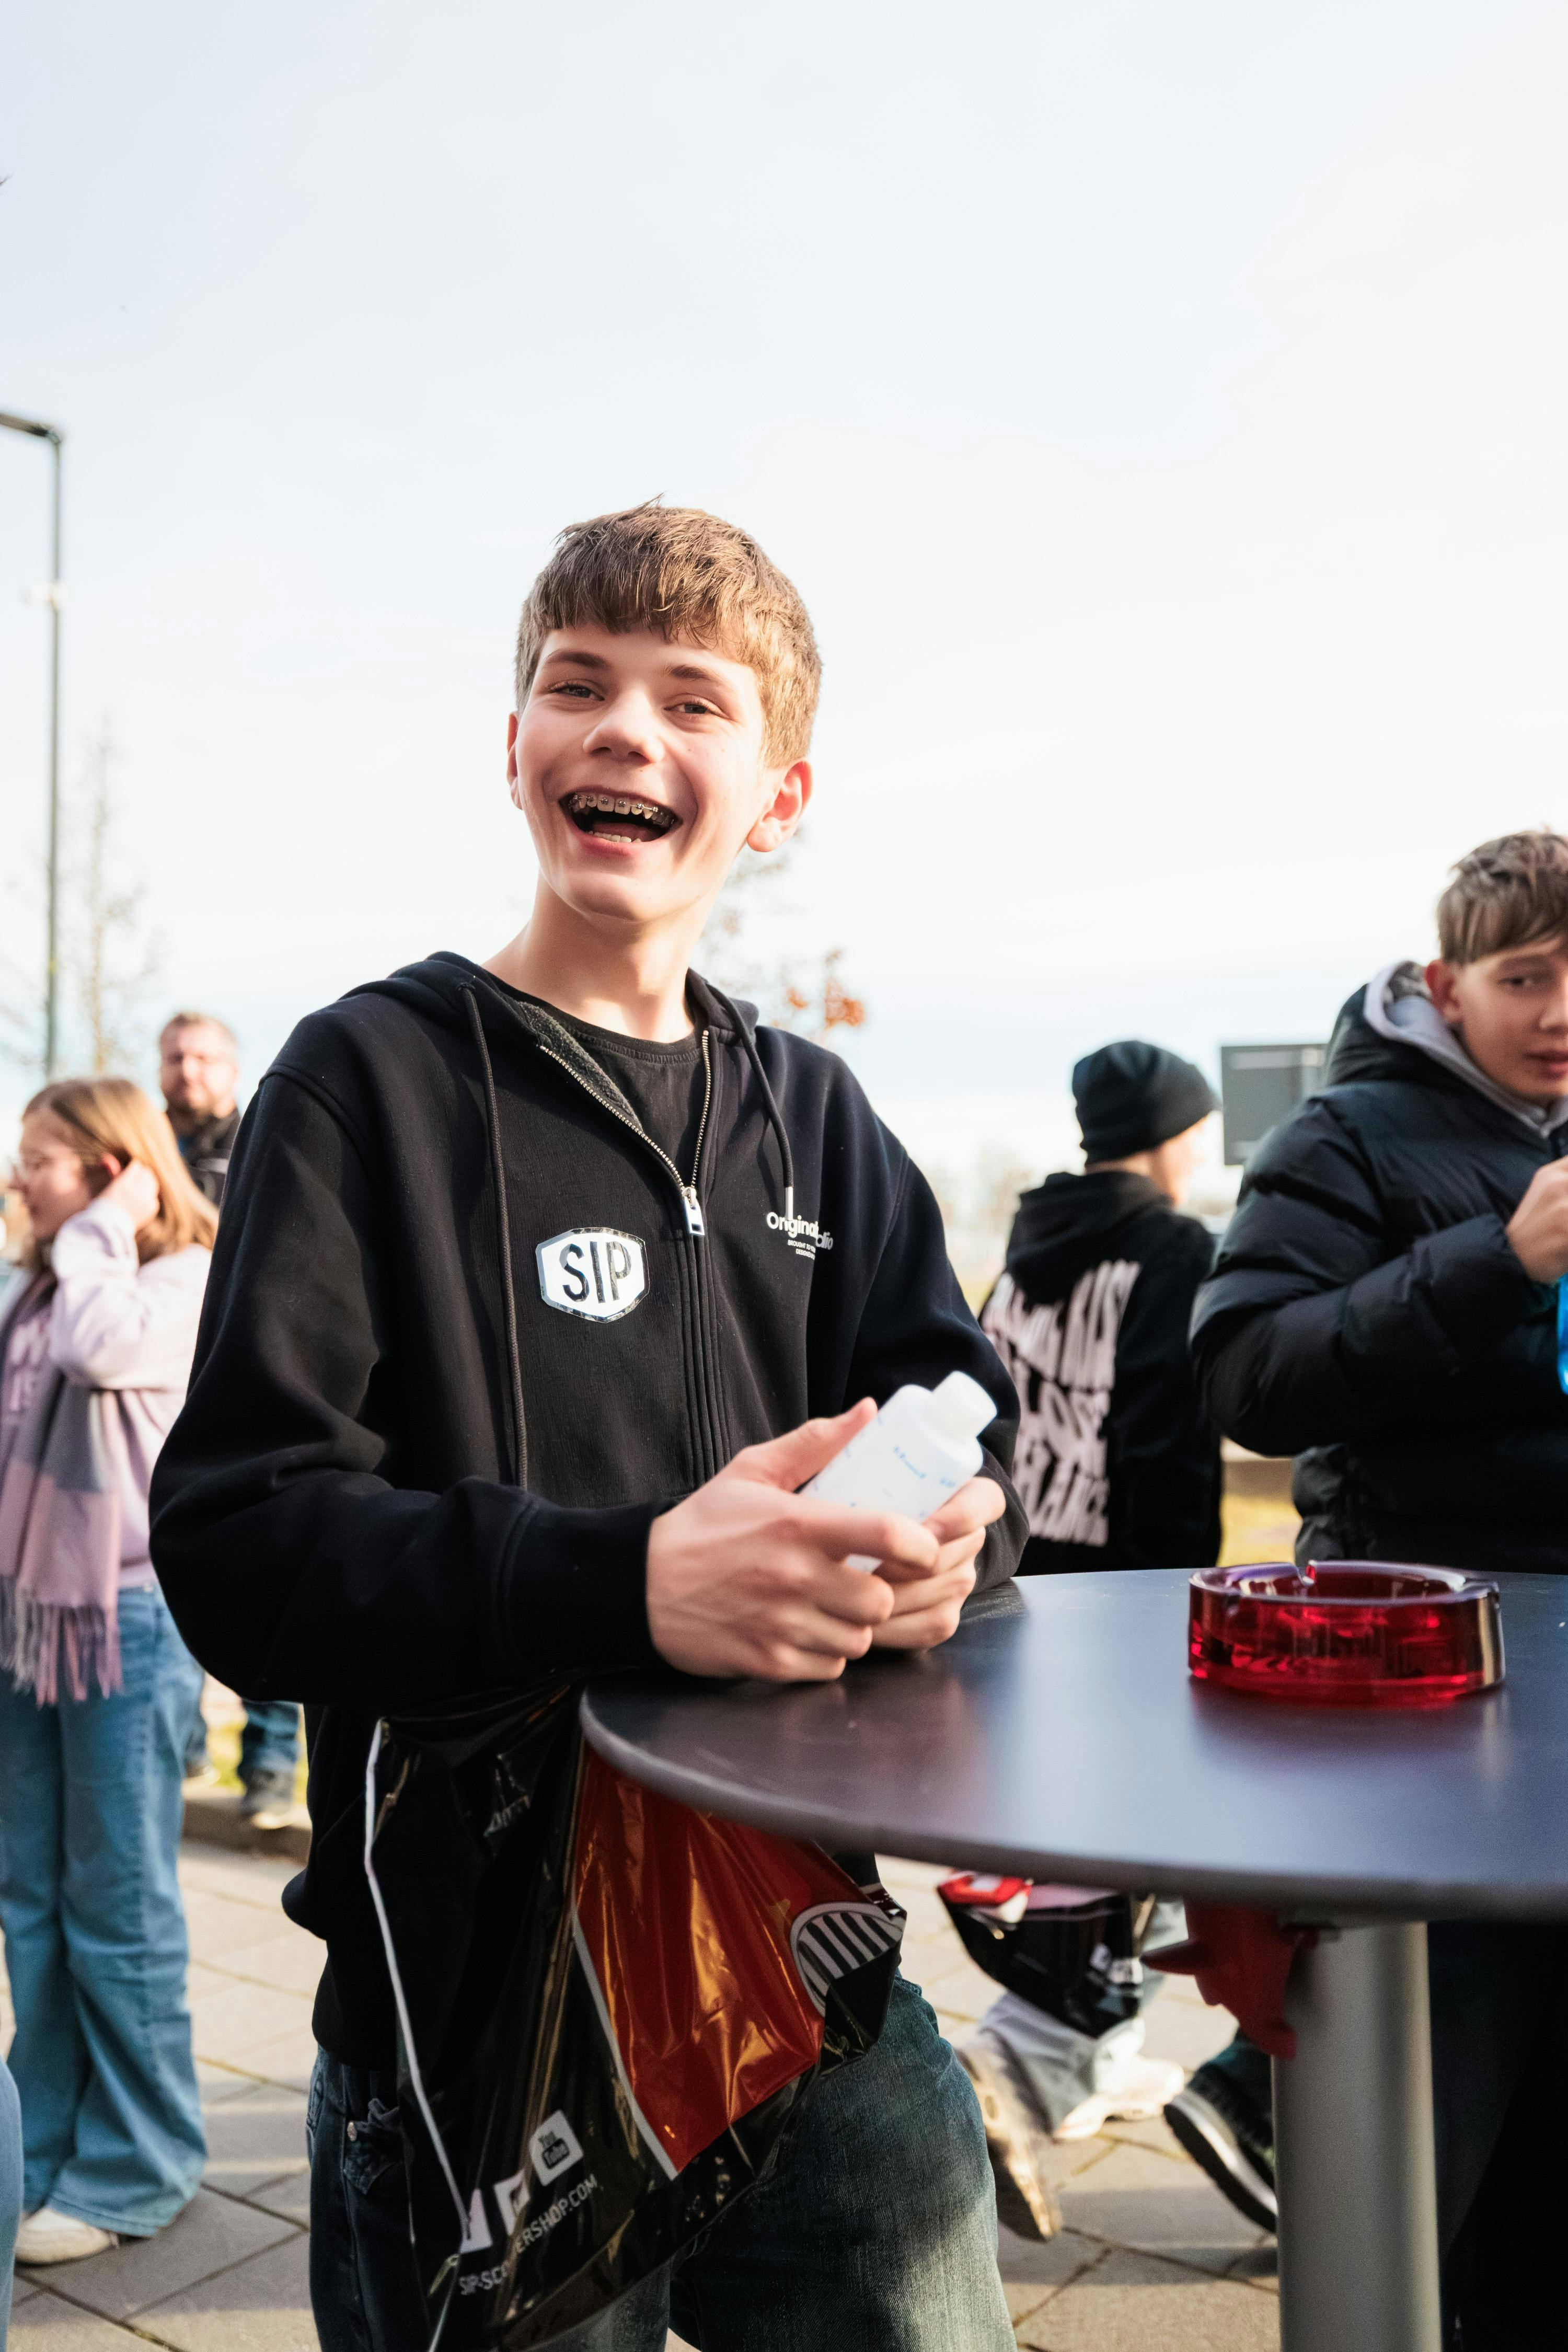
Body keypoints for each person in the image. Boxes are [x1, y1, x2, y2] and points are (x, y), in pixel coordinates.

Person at [151, 501, 1029, 2352]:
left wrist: (951, 1548)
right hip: (469, 2022)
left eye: (692, 701)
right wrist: (628, 1581)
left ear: (777, 796)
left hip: (813, 1974)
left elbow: (972, 1422)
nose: (626, 728)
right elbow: (242, 1543)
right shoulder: (367, 1079)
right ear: (515, 748)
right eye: (579, 685)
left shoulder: (817, 1115)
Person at [1190, 829, 1568, 2345]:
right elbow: (1247, 1375)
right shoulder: (1345, 1139)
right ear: (1444, 983)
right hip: (1432, 1722)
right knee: (1435, 2166)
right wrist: (1502, 1256)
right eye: (1527, 975)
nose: (1558, 1010)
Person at [959, 1041, 1236, 2238]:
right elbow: (1180, 1432)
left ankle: (1092, 2049)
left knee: (1086, 1833)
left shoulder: (1021, 1256)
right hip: (1132, 1585)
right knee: (1136, 1832)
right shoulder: (1178, 1250)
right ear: (1175, 1135)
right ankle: (1024, 2063)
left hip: (1024, 1581)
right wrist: (1192, 1586)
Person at [0, 1077, 214, 2265]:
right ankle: (40, 2146)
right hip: (30, 1620)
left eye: (41, 1158)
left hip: (126, 1621)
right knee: (27, 1896)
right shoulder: (41, 1289)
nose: (21, 1178)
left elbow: (100, 1355)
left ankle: (142, 2164)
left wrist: (102, 1235)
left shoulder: (167, 1283)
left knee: (117, 1904)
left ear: (115, 1170)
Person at [160, 1011, 301, 1829]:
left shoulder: (261, 1141)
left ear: (231, 1065)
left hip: (239, 1381)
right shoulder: (143, 1154)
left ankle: (272, 1768)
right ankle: (181, 1756)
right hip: (155, 1394)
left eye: (206, 1057)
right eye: (177, 1057)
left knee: (264, 1571)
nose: (190, 1070)